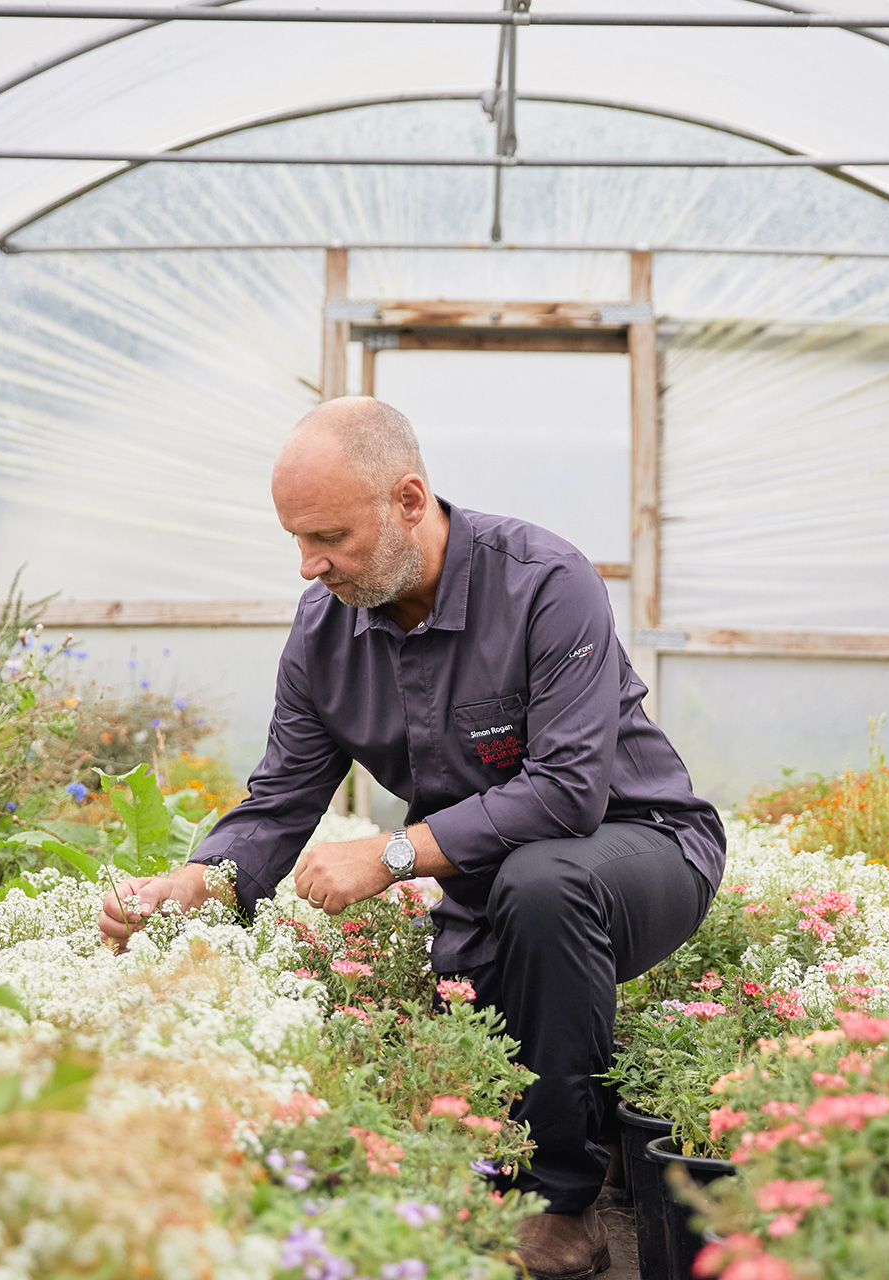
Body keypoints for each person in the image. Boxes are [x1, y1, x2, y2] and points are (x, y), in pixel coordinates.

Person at [100, 396, 725, 1280]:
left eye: (330, 537)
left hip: (643, 846)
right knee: (478, 1029)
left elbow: (568, 792)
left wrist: (391, 856)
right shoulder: (324, 629)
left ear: (408, 499)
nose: (310, 565)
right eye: (296, 540)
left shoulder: (545, 582)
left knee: (546, 887)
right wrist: (195, 881)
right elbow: (281, 799)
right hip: (493, 877)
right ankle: (556, 1123)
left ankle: (563, 1203)